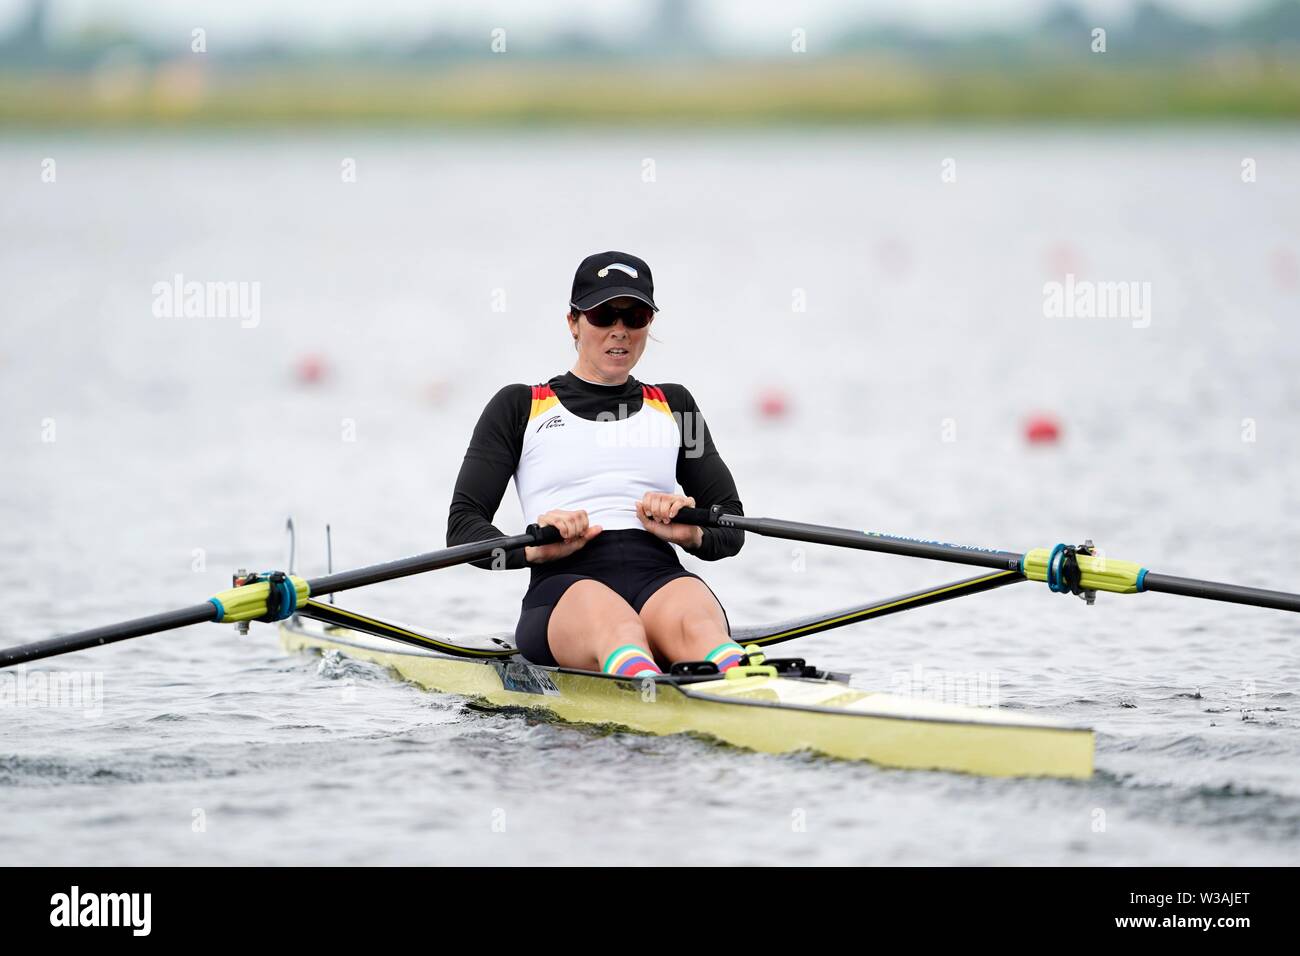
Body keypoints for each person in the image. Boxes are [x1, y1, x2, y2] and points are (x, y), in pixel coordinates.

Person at [447, 251, 745, 677]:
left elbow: (732, 527)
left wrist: (692, 533)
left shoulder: (676, 406)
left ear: (648, 324)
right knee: (619, 630)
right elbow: (463, 530)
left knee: (699, 628)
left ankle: (744, 683)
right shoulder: (519, 406)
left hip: (660, 576)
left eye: (635, 317)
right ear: (573, 322)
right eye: (603, 316)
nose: (619, 331)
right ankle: (642, 680)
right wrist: (532, 549)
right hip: (564, 587)